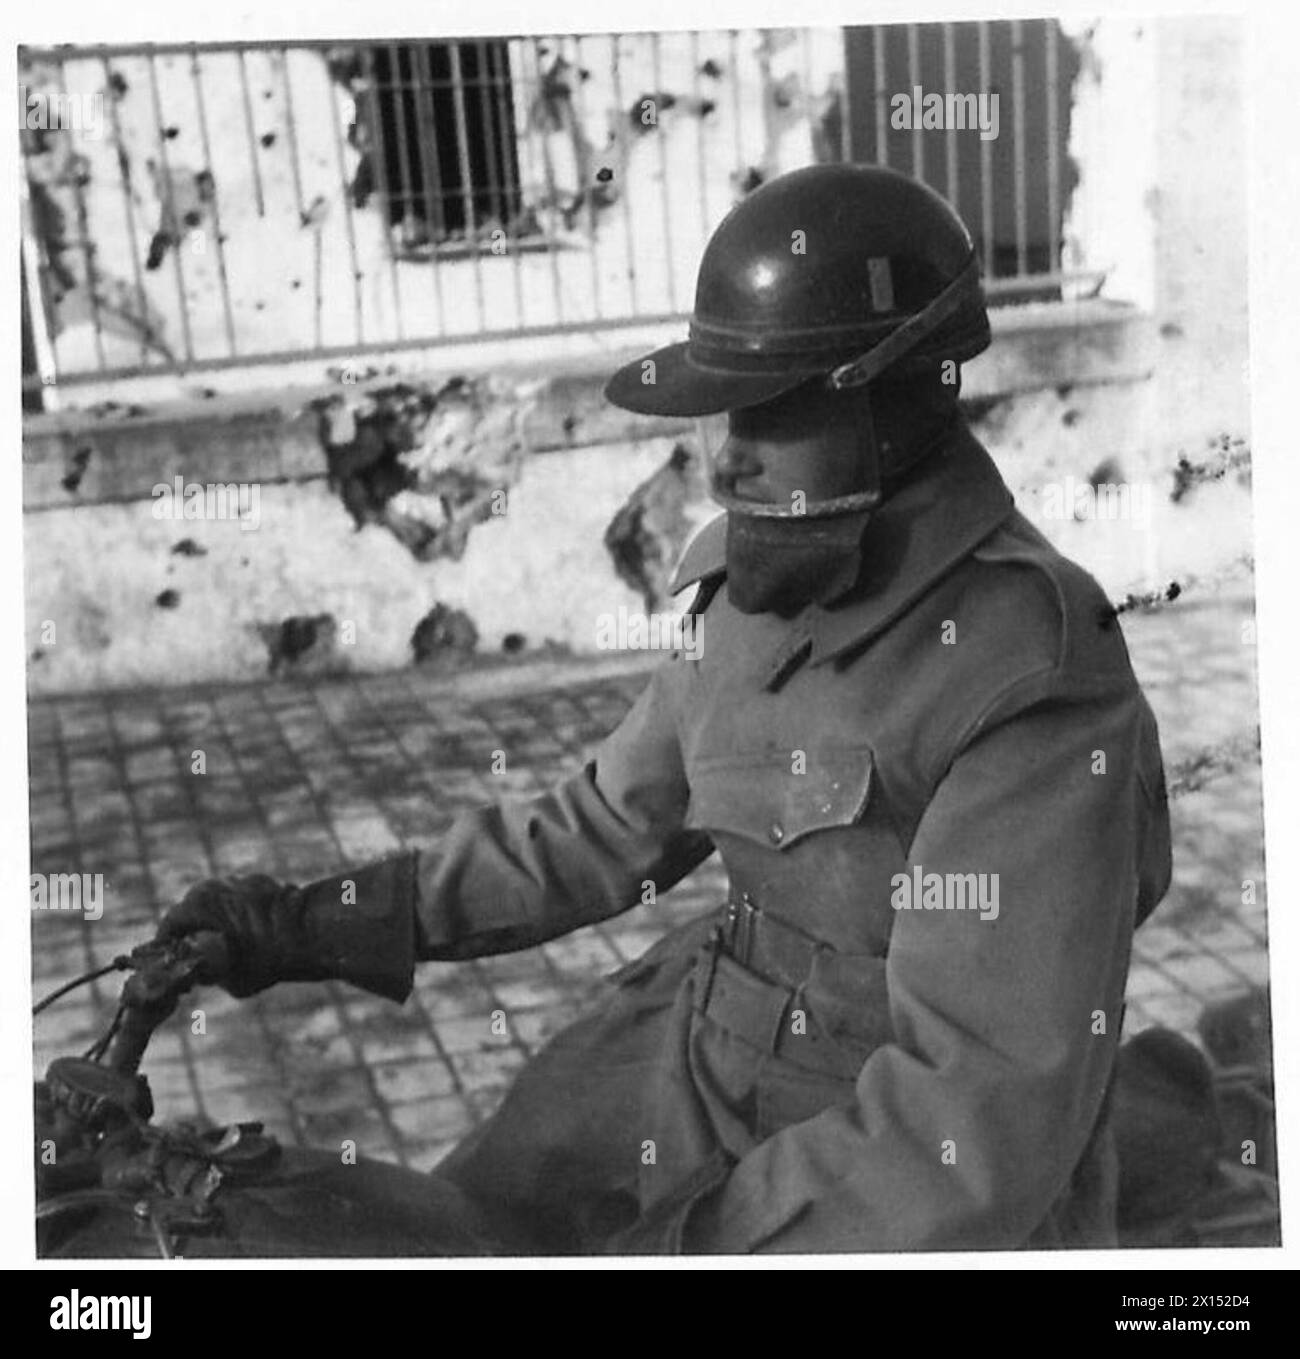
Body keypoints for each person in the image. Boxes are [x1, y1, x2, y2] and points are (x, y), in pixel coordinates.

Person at [158, 164, 1172, 1255]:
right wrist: (314, 921)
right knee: (453, 1230)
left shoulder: (1027, 676)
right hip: (695, 1047)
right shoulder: (745, 593)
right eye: (721, 406)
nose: (723, 451)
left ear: (896, 396)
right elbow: (598, 830)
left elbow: (974, 1116)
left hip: (886, 1150)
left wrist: (703, 1243)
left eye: (772, 408)